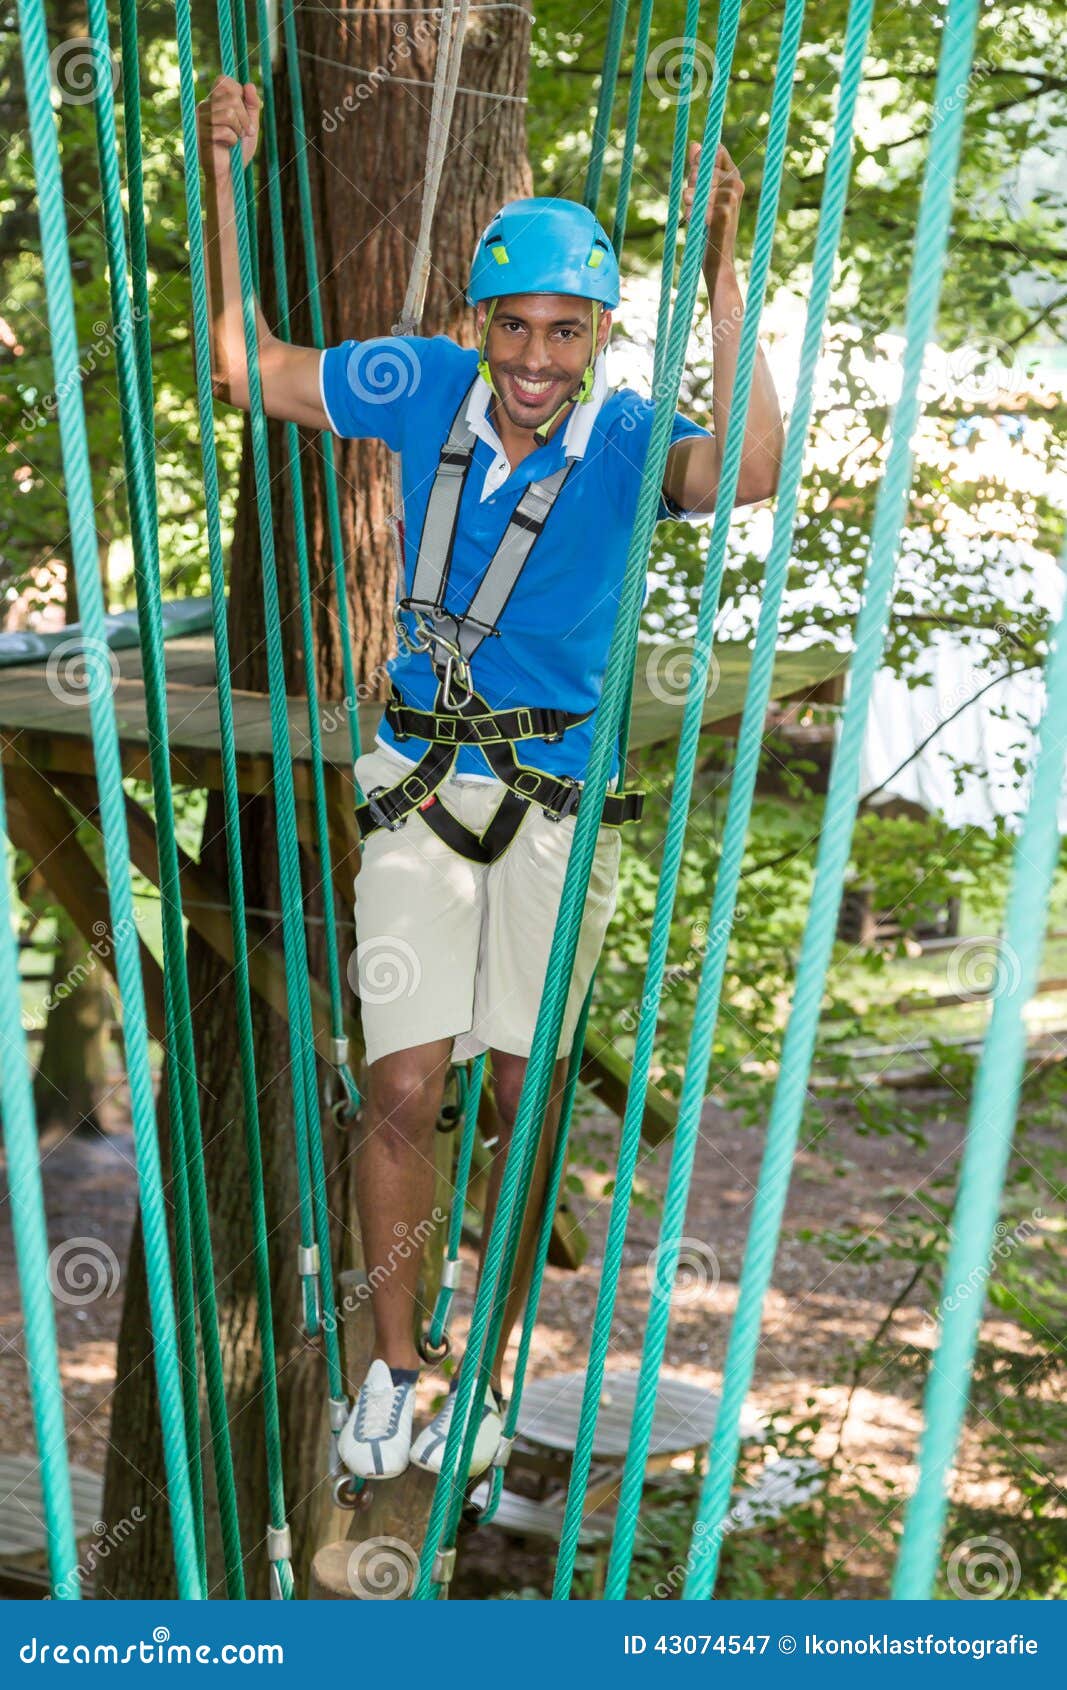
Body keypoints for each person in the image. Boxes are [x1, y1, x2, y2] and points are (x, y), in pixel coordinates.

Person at [198, 76, 783, 1485]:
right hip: (412, 780)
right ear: (479, 324)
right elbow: (246, 364)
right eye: (513, 327)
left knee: (524, 1106)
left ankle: (487, 1352)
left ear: (594, 338)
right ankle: (394, 1374)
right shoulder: (421, 382)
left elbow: (755, 462)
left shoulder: (632, 440)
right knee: (398, 1091)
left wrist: (724, 265)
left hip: (553, 808)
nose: (533, 357)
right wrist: (226, 173)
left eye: (561, 332)